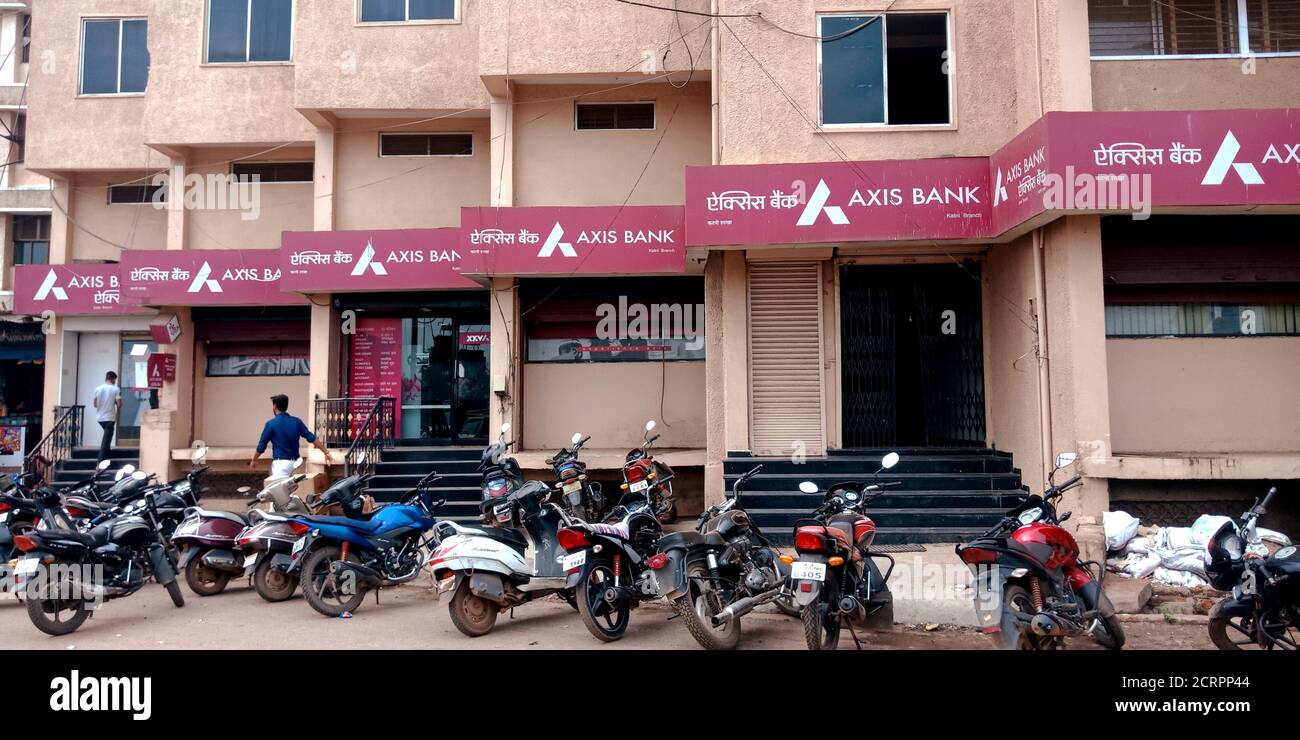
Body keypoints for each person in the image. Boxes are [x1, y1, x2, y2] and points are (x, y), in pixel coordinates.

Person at [250, 394, 329, 478]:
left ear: (274, 407)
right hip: (296, 463)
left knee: (280, 490)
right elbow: (311, 438)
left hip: (281, 464)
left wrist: (254, 460)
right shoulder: (296, 421)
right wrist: (326, 452)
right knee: (290, 490)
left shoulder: (271, 424)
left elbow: (262, 445)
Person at [91, 371, 122, 463]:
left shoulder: (97, 388)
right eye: (115, 380)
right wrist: (115, 402)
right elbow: (119, 404)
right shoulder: (115, 389)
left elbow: (95, 404)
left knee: (107, 438)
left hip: (100, 418)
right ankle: (99, 463)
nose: (115, 382)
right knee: (106, 441)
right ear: (112, 379)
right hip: (109, 418)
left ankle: (107, 460)